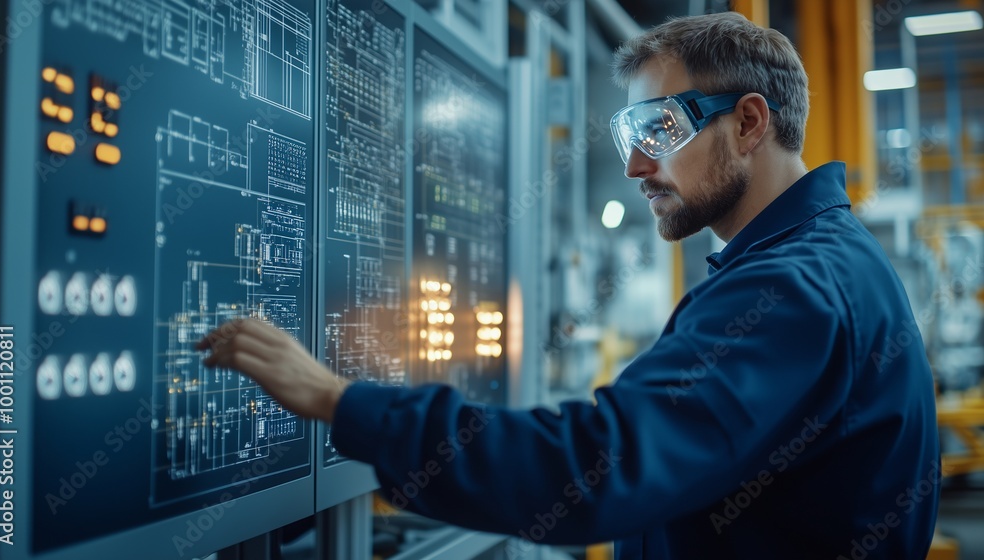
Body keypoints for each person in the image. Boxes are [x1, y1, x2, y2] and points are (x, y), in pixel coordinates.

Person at [198, 12, 940, 559]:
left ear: (749, 122)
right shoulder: (817, 261)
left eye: (658, 129)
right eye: (629, 137)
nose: (636, 165)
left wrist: (340, 402)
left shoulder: (792, 287)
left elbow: (602, 467)